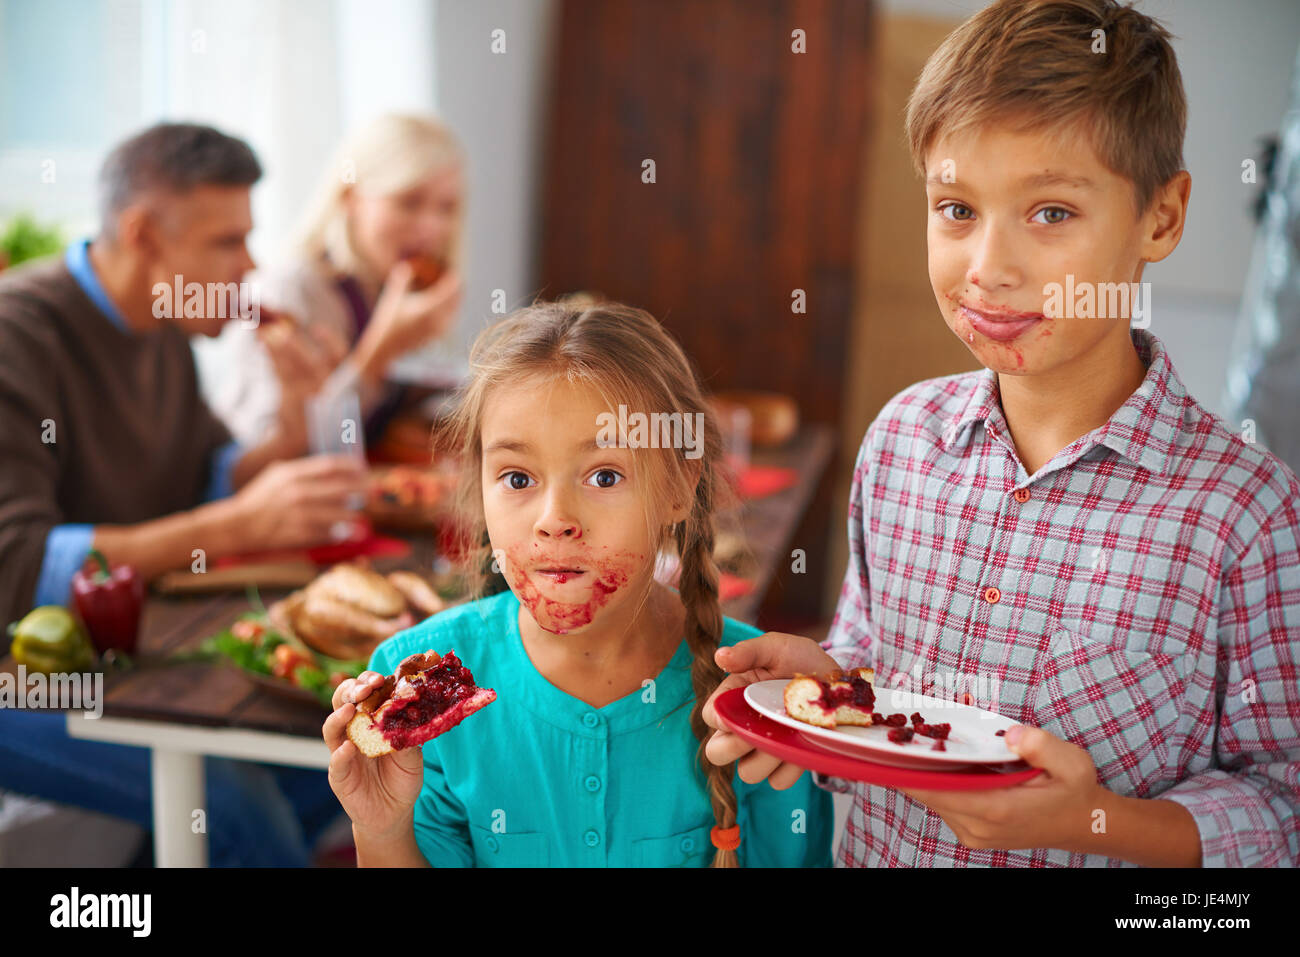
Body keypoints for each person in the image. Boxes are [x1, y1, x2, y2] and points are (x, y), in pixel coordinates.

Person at [703, 0, 1300, 868]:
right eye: (956, 208)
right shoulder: (902, 439)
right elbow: (875, 669)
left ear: (1161, 219)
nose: (989, 268)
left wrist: (1089, 821)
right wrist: (827, 690)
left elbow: (1284, 807)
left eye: (1051, 212)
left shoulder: (1245, 514)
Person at [323, 302, 833, 867]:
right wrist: (383, 830)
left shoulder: (757, 691)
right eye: (517, 478)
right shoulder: (412, 681)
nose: (555, 517)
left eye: (605, 475)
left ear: (679, 489)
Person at [0, 122, 368, 866]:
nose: (251, 265)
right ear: (143, 234)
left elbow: (209, 476)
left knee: (326, 752)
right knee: (229, 798)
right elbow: (17, 562)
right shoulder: (18, 331)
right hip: (23, 673)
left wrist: (295, 417)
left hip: (120, 644)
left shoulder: (162, 322)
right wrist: (232, 525)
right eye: (227, 242)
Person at [195, 113, 465, 448]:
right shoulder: (292, 289)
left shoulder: (388, 286)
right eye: (408, 202)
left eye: (447, 208)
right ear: (350, 198)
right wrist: (381, 351)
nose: (431, 228)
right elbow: (287, 447)